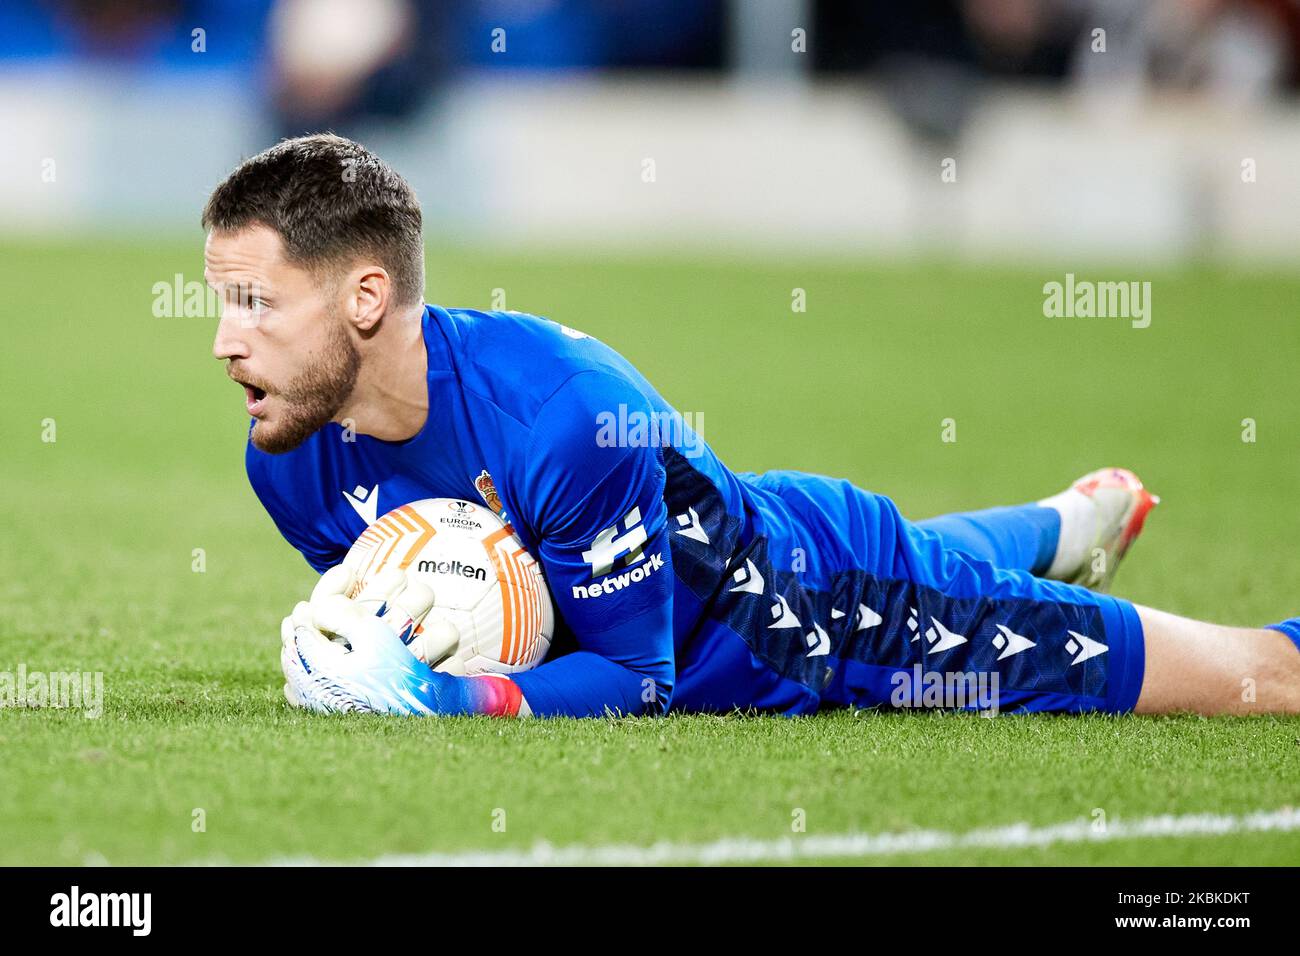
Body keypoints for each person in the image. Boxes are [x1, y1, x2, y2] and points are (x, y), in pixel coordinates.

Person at [202, 134, 1300, 718]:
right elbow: (501, 605)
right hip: (735, 525)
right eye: (218, 302)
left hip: (819, 617)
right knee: (936, 553)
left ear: (363, 297)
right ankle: (1059, 525)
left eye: (254, 301)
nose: (222, 340)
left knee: (1256, 680)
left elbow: (640, 676)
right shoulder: (288, 456)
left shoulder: (563, 415)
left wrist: (455, 697)